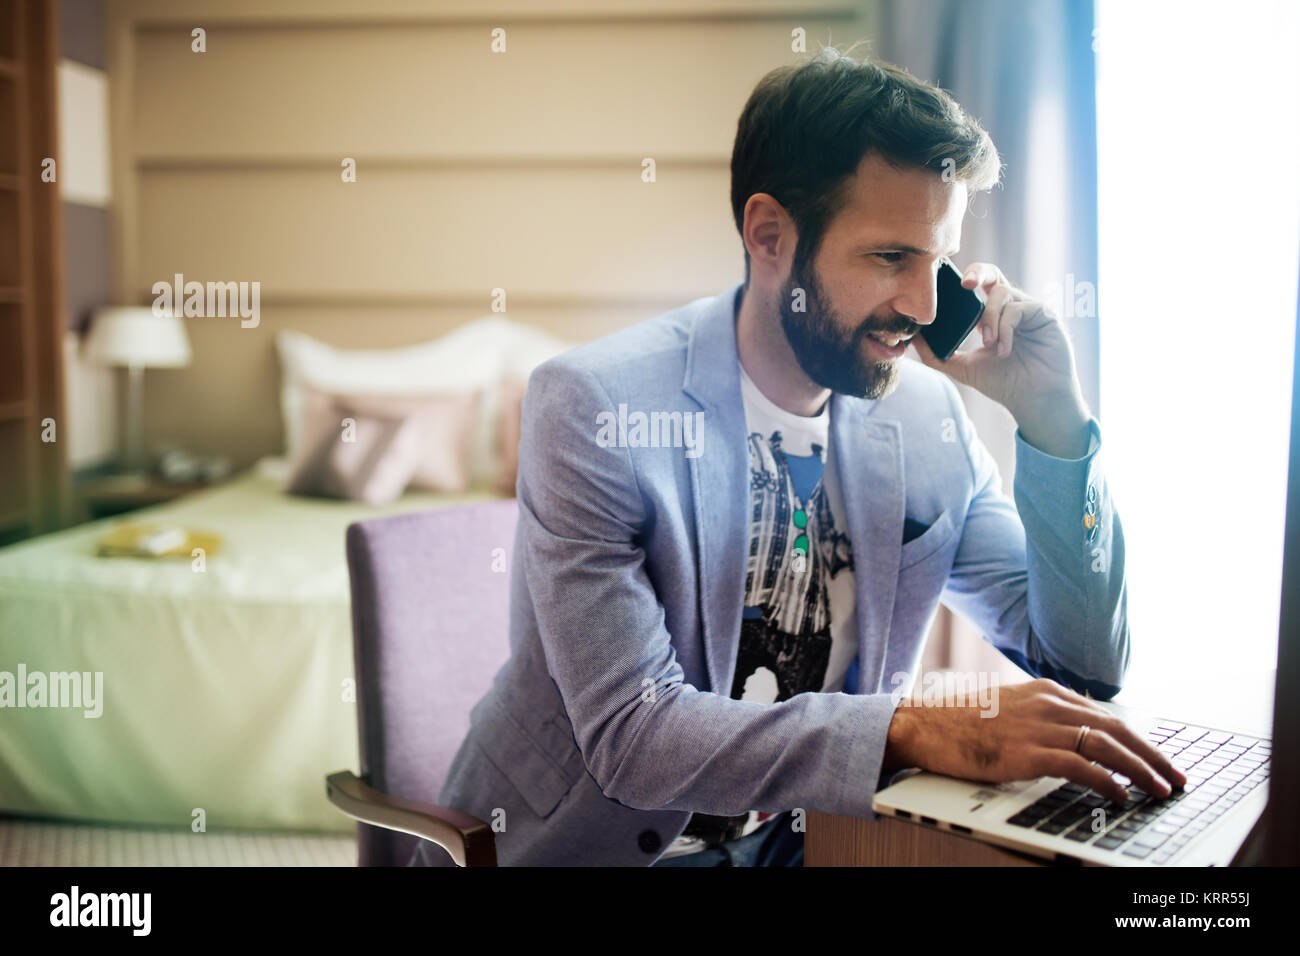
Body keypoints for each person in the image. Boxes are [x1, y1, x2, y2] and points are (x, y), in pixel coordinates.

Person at [411, 45, 1183, 868]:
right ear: (769, 234)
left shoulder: (925, 418)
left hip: (813, 843)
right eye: (890, 257)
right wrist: (910, 727)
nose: (924, 306)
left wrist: (1055, 421)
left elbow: (1085, 665)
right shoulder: (596, 408)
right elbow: (636, 738)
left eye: (940, 260)